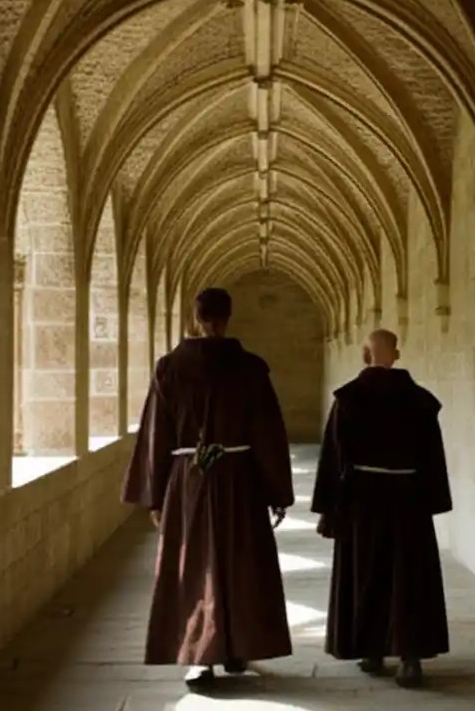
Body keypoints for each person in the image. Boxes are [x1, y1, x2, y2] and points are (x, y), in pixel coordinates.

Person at [121, 288, 295, 688]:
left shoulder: (169, 368)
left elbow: (156, 432)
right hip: (240, 479)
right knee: (240, 563)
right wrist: (277, 492)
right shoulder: (251, 368)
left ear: (195, 318)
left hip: (189, 479)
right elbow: (269, 431)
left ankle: (201, 658)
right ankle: (236, 646)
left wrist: (155, 492)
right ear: (227, 317)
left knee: (195, 563)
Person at [312, 329, 452, 688]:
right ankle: (409, 658)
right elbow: (433, 457)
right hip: (408, 499)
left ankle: (370, 650)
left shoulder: (349, 398)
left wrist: (329, 508)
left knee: (367, 574)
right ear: (397, 354)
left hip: (362, 500)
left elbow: (333, 456)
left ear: (364, 355)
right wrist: (433, 500)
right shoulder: (420, 401)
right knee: (408, 577)